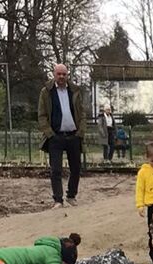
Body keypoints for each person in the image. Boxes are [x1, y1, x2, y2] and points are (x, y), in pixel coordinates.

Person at [37, 63, 85, 210]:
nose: (62, 77)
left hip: (73, 135)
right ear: (54, 74)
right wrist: (49, 134)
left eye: (64, 74)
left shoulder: (75, 91)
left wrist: (80, 133)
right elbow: (42, 115)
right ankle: (58, 200)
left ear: (67, 74)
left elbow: (82, 113)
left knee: (76, 168)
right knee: (56, 169)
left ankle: (71, 196)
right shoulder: (46, 92)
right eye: (59, 74)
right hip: (55, 136)